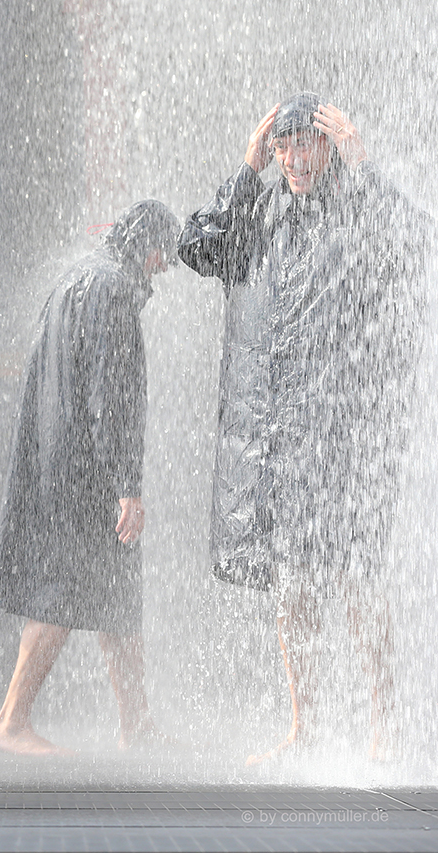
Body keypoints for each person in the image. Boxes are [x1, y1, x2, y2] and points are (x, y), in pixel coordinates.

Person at [179, 93, 430, 766]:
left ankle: (387, 728)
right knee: (295, 591)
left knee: (359, 585)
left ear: (329, 148)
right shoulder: (257, 214)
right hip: (282, 448)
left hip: (345, 442)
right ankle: (305, 725)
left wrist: (365, 157)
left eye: (307, 144)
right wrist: (244, 165)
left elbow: (414, 241)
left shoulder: (358, 211)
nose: (294, 159)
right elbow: (198, 248)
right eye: (282, 147)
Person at [0, 199, 179, 757]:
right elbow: (111, 394)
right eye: (163, 258)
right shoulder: (114, 290)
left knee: (115, 596)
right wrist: (128, 485)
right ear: (148, 249)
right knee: (63, 595)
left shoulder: (77, 277)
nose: (163, 270)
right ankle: (11, 721)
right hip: (86, 476)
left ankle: (136, 724)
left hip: (59, 461)